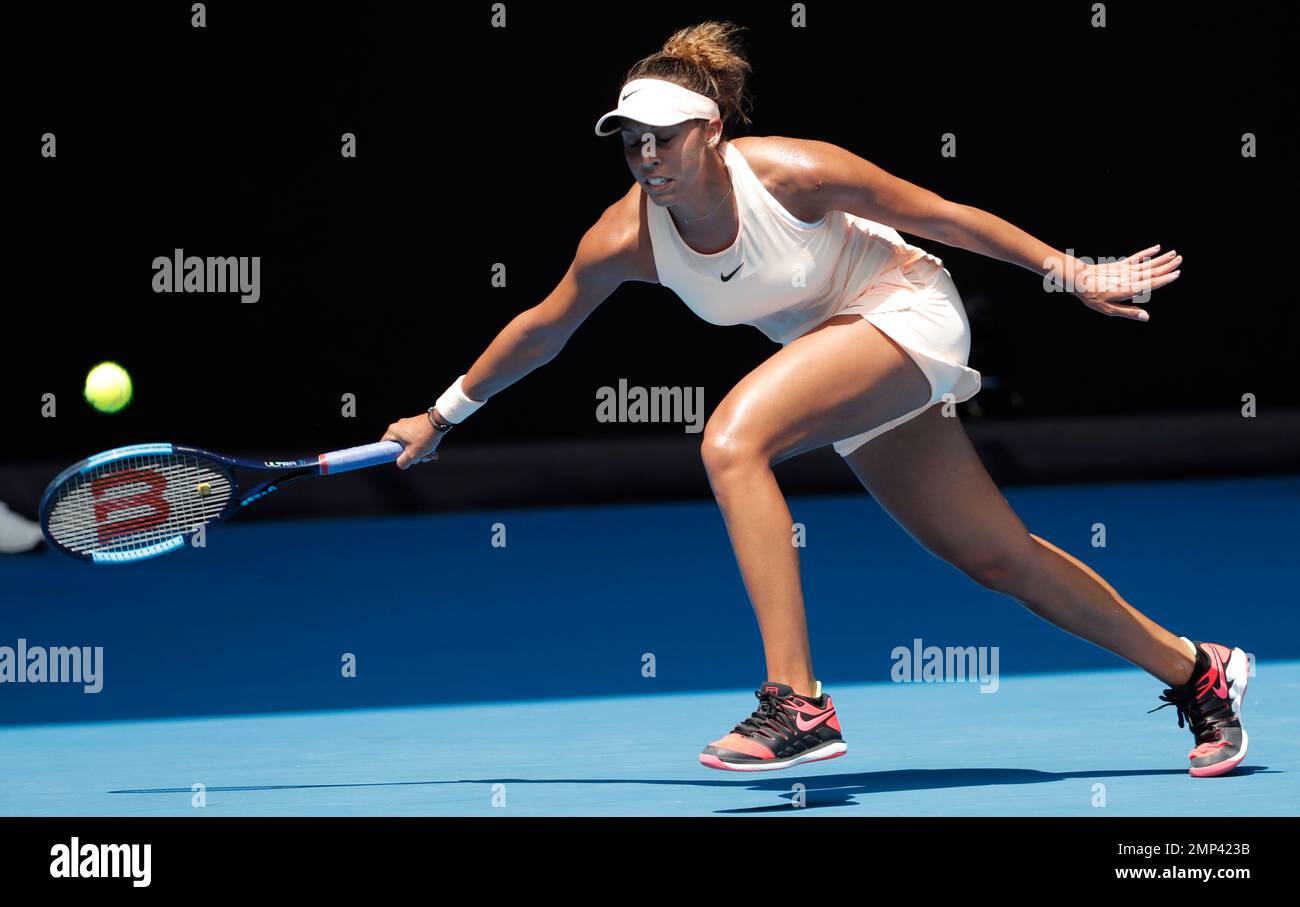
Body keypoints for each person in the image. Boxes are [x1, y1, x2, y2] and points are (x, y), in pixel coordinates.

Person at [381, 22, 1248, 777]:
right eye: (631, 142)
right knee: (1000, 559)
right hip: (839, 359)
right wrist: (442, 413)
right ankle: (1195, 670)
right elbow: (543, 328)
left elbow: (941, 214)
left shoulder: (794, 172)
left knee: (731, 441)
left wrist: (1070, 272)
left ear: (710, 130)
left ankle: (797, 703)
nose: (647, 158)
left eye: (664, 138)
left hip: (907, 314)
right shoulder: (623, 237)